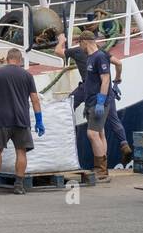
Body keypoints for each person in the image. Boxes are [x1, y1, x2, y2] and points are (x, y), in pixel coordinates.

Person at [55, 30, 133, 166]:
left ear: (83, 42)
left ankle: (62, 132)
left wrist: (61, 40)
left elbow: (58, 52)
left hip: (91, 90)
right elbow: (118, 63)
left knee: (68, 106)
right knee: (110, 122)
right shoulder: (102, 53)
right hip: (105, 93)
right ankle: (123, 144)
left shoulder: (78, 51)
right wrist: (118, 80)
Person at [0, 47, 45, 194]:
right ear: (20, 60)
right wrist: (39, 121)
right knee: (21, 152)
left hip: (2, 119)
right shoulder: (27, 75)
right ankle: (19, 186)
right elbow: (35, 99)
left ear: (7, 58)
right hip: (22, 120)